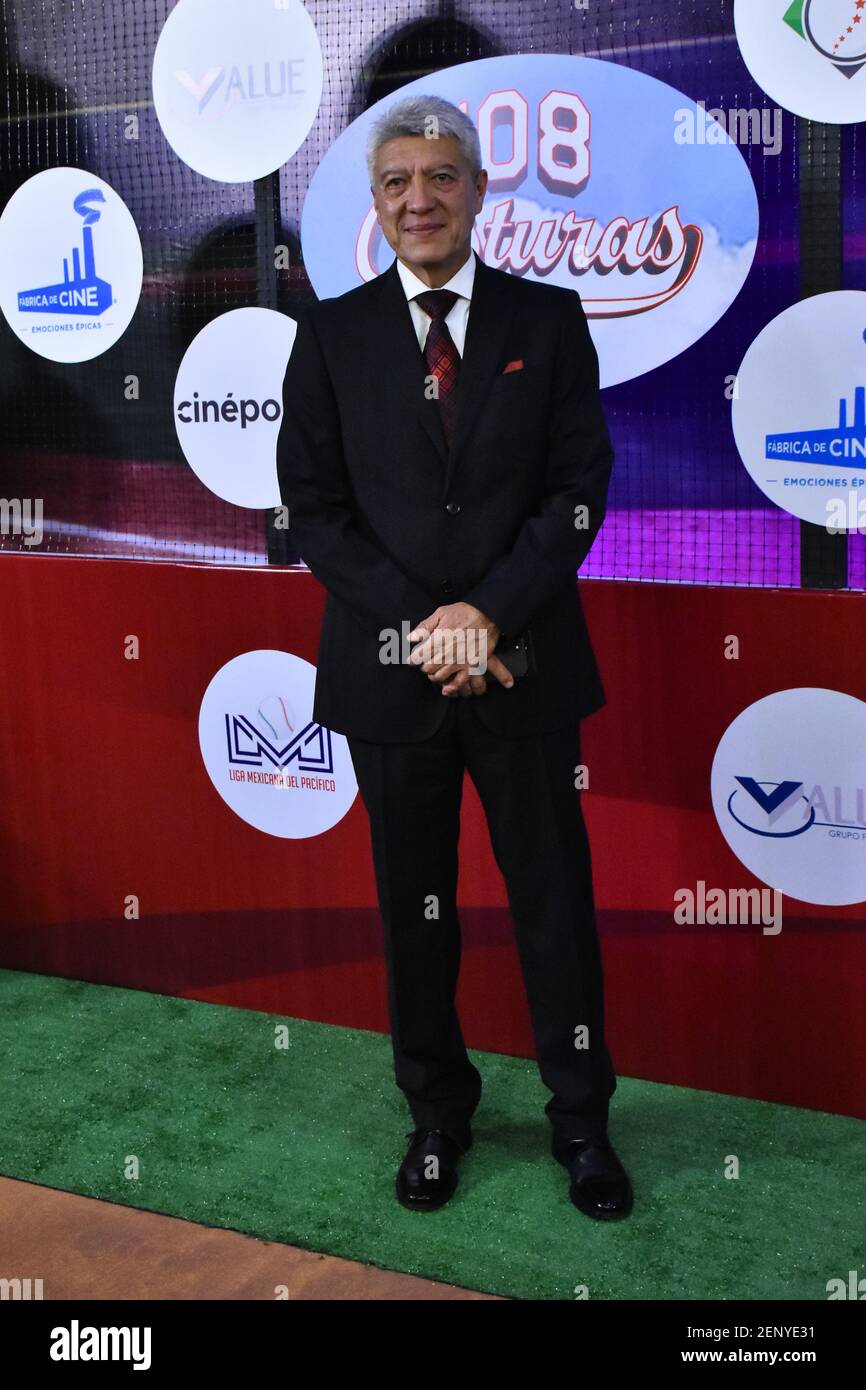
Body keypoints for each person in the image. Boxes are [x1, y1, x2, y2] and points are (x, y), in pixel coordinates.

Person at [277, 94, 632, 1220]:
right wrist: (434, 629)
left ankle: (581, 1125)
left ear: (477, 192)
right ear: (375, 205)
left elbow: (578, 492)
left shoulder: (547, 317)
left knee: (552, 909)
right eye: (397, 183)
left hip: (524, 669)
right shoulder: (329, 335)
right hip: (391, 682)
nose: (419, 200)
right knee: (413, 912)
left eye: (440, 177)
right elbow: (316, 512)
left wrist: (487, 613)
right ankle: (436, 1116)